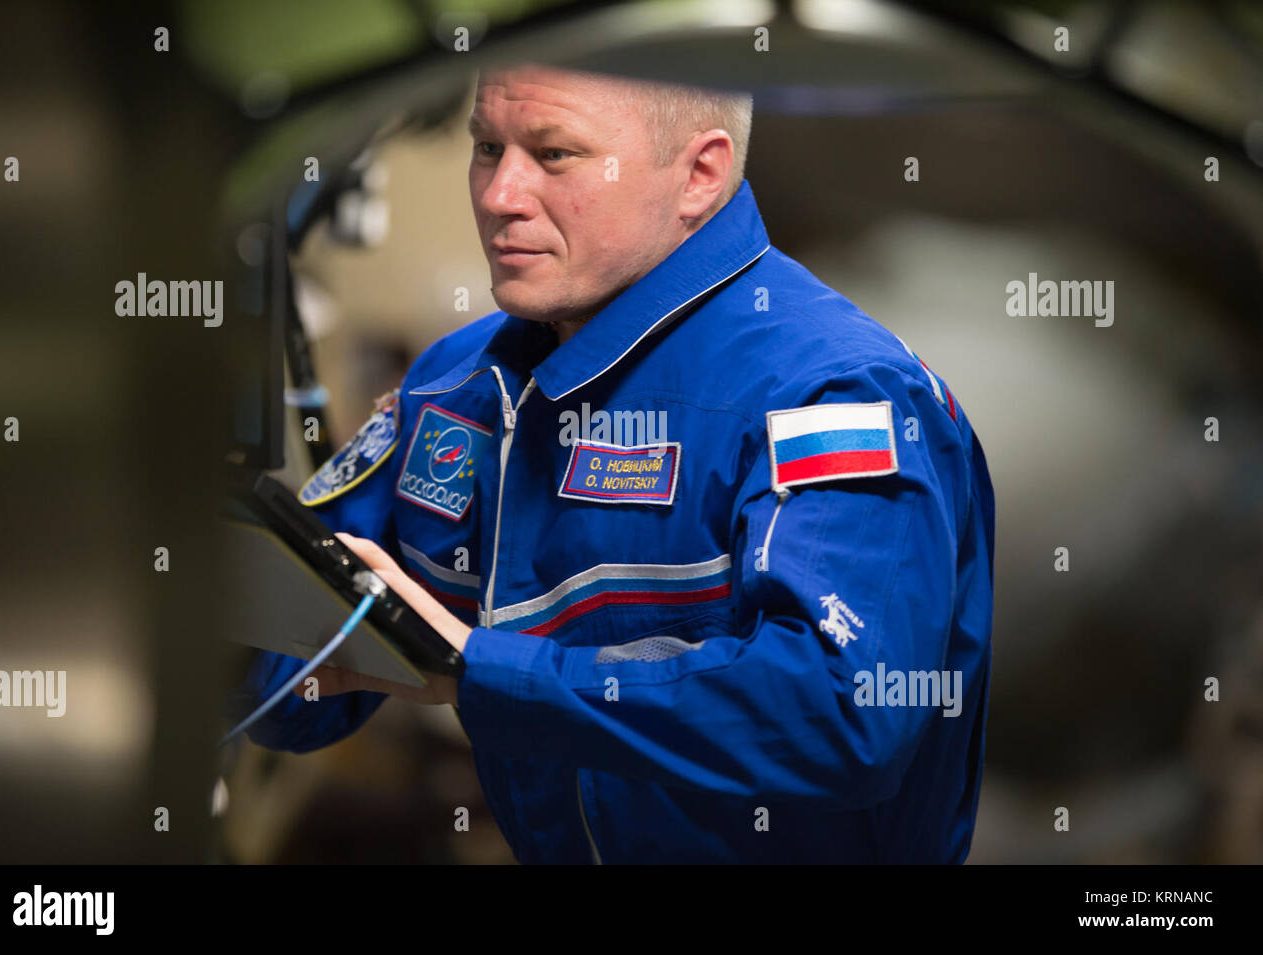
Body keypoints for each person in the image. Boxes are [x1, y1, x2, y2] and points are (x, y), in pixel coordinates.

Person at [231, 63, 996, 863]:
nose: (499, 195)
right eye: (488, 147)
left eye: (554, 155)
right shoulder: (458, 387)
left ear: (699, 174)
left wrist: (475, 671)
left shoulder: (831, 394)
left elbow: (840, 715)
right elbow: (294, 677)